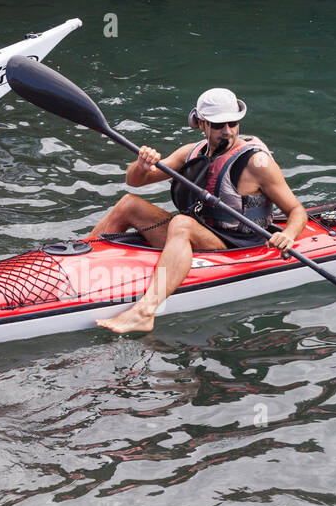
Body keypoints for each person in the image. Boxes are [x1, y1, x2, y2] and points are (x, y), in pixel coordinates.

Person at [87, 87, 308, 334]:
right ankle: (74, 258)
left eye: (232, 123)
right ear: (201, 123)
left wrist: (287, 235)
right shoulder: (191, 152)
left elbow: (296, 210)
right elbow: (135, 181)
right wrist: (141, 164)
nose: (228, 131)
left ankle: (144, 312)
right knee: (129, 203)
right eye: (218, 125)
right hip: (202, 231)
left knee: (181, 223)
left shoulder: (257, 163)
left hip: (237, 242)